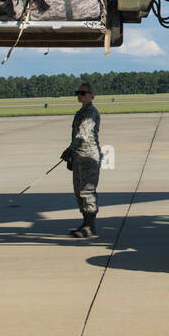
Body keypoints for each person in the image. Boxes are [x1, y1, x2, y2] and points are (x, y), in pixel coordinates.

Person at [61, 82, 101, 237]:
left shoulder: (90, 112)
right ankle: (85, 223)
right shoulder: (81, 111)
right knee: (78, 191)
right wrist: (72, 156)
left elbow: (83, 134)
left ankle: (90, 226)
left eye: (83, 93)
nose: (80, 95)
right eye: (77, 92)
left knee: (87, 190)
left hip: (88, 157)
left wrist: (70, 150)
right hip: (79, 156)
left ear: (91, 95)